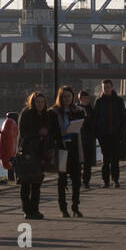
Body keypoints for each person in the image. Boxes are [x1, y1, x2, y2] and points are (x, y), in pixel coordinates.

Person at [16, 91, 58, 218]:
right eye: (37, 102)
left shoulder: (47, 115)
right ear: (32, 102)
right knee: (25, 182)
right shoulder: (26, 114)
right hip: (28, 152)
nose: (40, 104)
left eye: (42, 102)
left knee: (37, 182)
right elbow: (23, 133)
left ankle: (35, 209)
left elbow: (51, 133)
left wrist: (50, 146)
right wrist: (38, 134)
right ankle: (27, 210)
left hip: (41, 152)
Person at [52, 86, 85, 218]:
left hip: (74, 148)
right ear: (60, 98)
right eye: (64, 97)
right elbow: (51, 131)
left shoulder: (78, 111)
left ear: (72, 97)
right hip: (61, 148)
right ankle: (63, 208)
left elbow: (84, 126)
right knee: (62, 180)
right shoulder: (53, 113)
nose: (66, 99)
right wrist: (61, 133)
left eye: (69, 96)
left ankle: (75, 206)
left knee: (76, 179)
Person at [92, 78, 126, 188]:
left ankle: (115, 180)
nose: (106, 89)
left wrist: (121, 132)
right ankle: (106, 181)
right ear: (102, 88)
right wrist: (97, 133)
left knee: (115, 159)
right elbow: (95, 118)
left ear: (112, 87)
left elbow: (123, 118)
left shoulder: (118, 101)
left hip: (115, 134)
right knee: (106, 159)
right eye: (104, 87)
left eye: (108, 87)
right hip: (103, 134)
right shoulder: (99, 101)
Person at [76, 89, 97, 187]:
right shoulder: (75, 110)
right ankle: (77, 179)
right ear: (79, 99)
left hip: (88, 138)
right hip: (78, 139)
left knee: (87, 162)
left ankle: (86, 180)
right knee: (77, 161)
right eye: (82, 98)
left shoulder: (92, 110)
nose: (84, 100)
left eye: (86, 98)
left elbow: (94, 123)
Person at [0, 112, 19, 182]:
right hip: (13, 151)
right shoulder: (14, 126)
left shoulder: (8, 125)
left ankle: (11, 177)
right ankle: (13, 176)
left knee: (12, 157)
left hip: (12, 151)